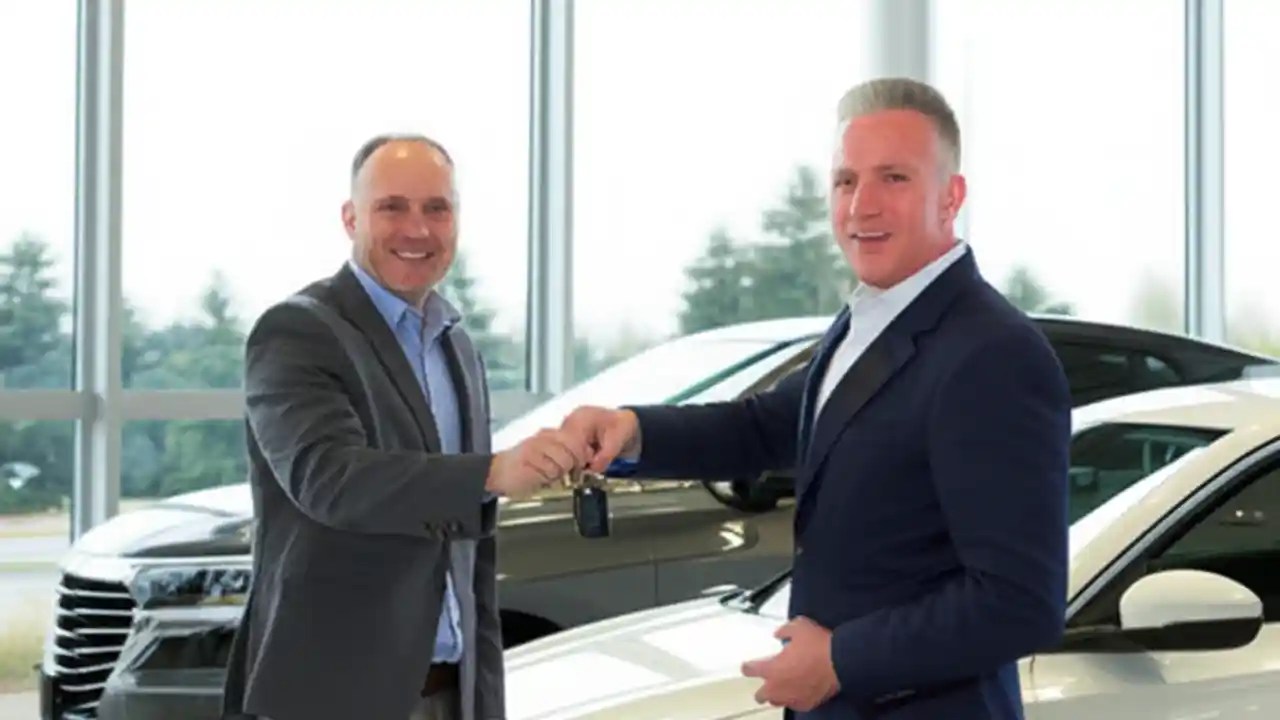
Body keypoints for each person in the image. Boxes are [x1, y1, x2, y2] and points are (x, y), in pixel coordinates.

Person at [560, 77, 1072, 720]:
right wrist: (632, 430)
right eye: (845, 181)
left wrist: (839, 661)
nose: (862, 206)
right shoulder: (873, 319)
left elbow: (1019, 603)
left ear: (951, 197)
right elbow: (764, 427)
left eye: (893, 178)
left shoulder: (993, 354)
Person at [221, 134, 589, 720]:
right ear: (351, 218)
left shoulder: (455, 344)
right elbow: (329, 478)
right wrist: (493, 472)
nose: (417, 230)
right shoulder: (296, 331)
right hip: (334, 699)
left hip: (451, 691)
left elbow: (467, 554)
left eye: (436, 209)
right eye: (392, 207)